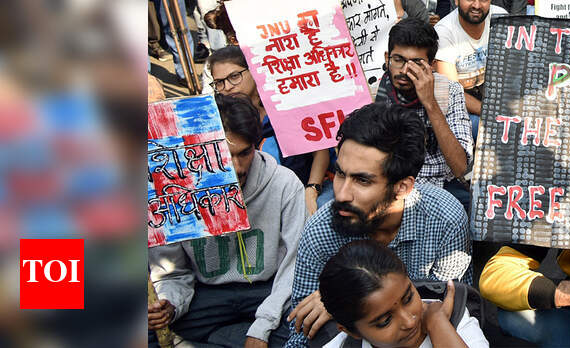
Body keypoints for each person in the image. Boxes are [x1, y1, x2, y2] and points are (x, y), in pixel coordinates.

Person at [283, 103, 472, 347]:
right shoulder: (320, 230)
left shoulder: (445, 218)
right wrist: (341, 305)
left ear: (402, 187)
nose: (341, 194)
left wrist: (350, 299)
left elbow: (452, 305)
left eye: (362, 180)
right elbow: (301, 331)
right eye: (340, 174)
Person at [149, 94, 307, 348]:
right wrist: (170, 304)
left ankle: (224, 337)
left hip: (268, 289)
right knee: (145, 332)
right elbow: (172, 273)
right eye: (224, 155)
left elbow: (295, 264)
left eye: (245, 153)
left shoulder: (284, 184)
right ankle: (230, 336)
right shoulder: (172, 193)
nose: (237, 167)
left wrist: (263, 326)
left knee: (309, 332)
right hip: (207, 294)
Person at [206, 46, 329, 214]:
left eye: (234, 76)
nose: (227, 87)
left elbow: (320, 152)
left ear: (253, 70)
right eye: (219, 82)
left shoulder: (285, 103)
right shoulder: (217, 119)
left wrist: (311, 190)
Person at [320, 240, 489, 348]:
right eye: (385, 321)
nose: (409, 321)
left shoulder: (455, 322)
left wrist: (438, 324)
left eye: (408, 298)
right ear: (352, 332)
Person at [375, 18, 473, 195]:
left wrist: (430, 103)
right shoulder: (374, 95)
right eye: (398, 60)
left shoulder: (450, 91)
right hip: (390, 185)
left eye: (417, 64)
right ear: (387, 58)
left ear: (431, 66)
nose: (405, 71)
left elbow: (461, 168)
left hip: (443, 185)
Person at [434, 0, 508, 124]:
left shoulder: (501, 18)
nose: (477, 5)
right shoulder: (444, 31)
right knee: (477, 127)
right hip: (460, 101)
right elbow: (451, 92)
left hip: (492, 93)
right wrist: (491, 114)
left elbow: (512, 69)